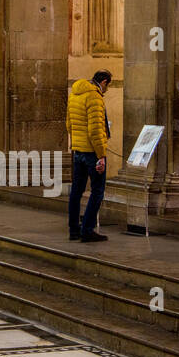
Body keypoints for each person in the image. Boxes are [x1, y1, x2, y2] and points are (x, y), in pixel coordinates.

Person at [67, 70, 112, 242]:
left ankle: (73, 230)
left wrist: (76, 143)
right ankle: (87, 229)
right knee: (97, 191)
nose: (106, 90)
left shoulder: (75, 94)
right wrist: (101, 155)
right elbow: (95, 130)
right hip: (92, 152)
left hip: (78, 150)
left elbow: (69, 123)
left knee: (76, 191)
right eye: (108, 86)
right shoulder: (94, 97)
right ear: (105, 81)